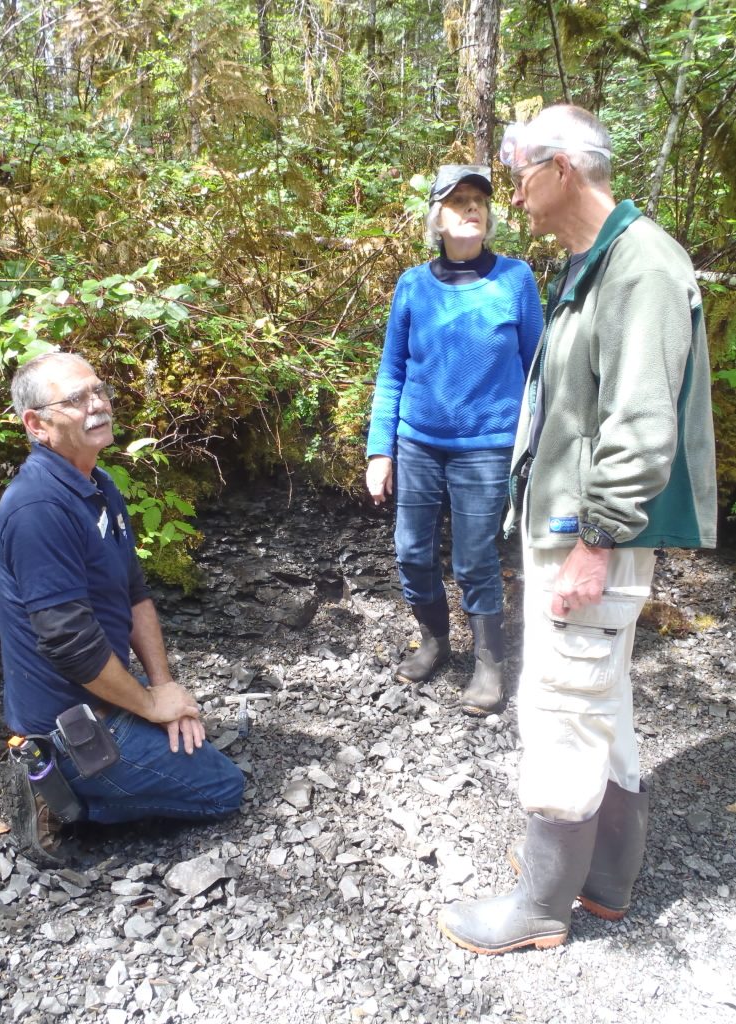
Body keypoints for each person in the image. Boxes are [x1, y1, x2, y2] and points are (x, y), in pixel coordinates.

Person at [438, 105, 717, 954]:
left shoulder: (640, 269)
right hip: (576, 525)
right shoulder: (593, 265)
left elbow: (639, 428)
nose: (513, 190)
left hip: (594, 534)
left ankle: (539, 907)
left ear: (560, 168)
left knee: (560, 709)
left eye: (519, 169)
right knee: (603, 705)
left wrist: (595, 542)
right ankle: (606, 881)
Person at [0, 352, 245, 864]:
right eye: (77, 399)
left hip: (107, 696)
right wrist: (150, 707)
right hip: (70, 723)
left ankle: (90, 768)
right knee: (224, 790)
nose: (97, 405)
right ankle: (60, 792)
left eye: (99, 391)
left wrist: (163, 685)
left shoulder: (99, 486)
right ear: (36, 424)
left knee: (200, 751)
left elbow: (135, 593)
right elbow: (70, 644)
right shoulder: (37, 509)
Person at [366, 164, 543, 715]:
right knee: (412, 552)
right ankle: (436, 640)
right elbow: (392, 370)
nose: (471, 209)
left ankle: (490, 663)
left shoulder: (516, 280)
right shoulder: (413, 284)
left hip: (488, 447)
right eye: (458, 201)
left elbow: (540, 371)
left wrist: (538, 449)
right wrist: (380, 449)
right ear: (436, 218)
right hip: (419, 442)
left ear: (490, 219)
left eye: (479, 202)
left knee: (473, 562)